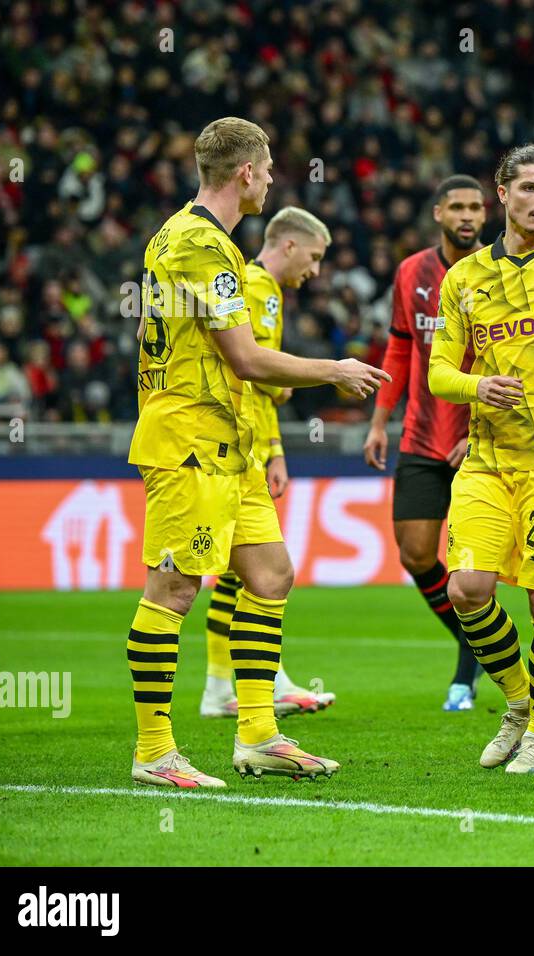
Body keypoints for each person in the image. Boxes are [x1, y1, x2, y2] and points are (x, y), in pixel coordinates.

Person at [126, 117, 387, 788]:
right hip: (188, 439)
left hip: (228, 442)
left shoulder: (201, 242)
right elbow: (244, 358)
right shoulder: (198, 245)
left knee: (271, 574)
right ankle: (154, 751)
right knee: (175, 587)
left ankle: (259, 736)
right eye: (268, 171)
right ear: (246, 173)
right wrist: (333, 368)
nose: (271, 182)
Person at [428, 145, 534, 774]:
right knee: (466, 589)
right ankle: (520, 703)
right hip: (489, 461)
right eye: (529, 188)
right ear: (503, 193)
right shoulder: (465, 278)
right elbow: (440, 371)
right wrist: (479, 387)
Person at [198, 206, 339, 720]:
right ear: (288, 246)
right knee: (253, 574)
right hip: (233, 445)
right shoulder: (257, 287)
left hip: (252, 444)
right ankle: (256, 682)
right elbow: (253, 367)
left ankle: (220, 687)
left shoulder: (263, 288)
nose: (315, 271)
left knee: (240, 574)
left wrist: (276, 449)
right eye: (314, 258)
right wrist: (292, 384)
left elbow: (263, 383)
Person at [364, 174, 488, 713]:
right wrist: (377, 421)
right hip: (419, 435)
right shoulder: (411, 272)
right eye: (457, 207)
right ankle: (471, 640)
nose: (467, 216)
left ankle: (464, 676)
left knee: (470, 567)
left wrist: (480, 428)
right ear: (438, 212)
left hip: (479, 443)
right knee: (415, 554)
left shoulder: (494, 275)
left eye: (475, 208)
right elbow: (398, 347)